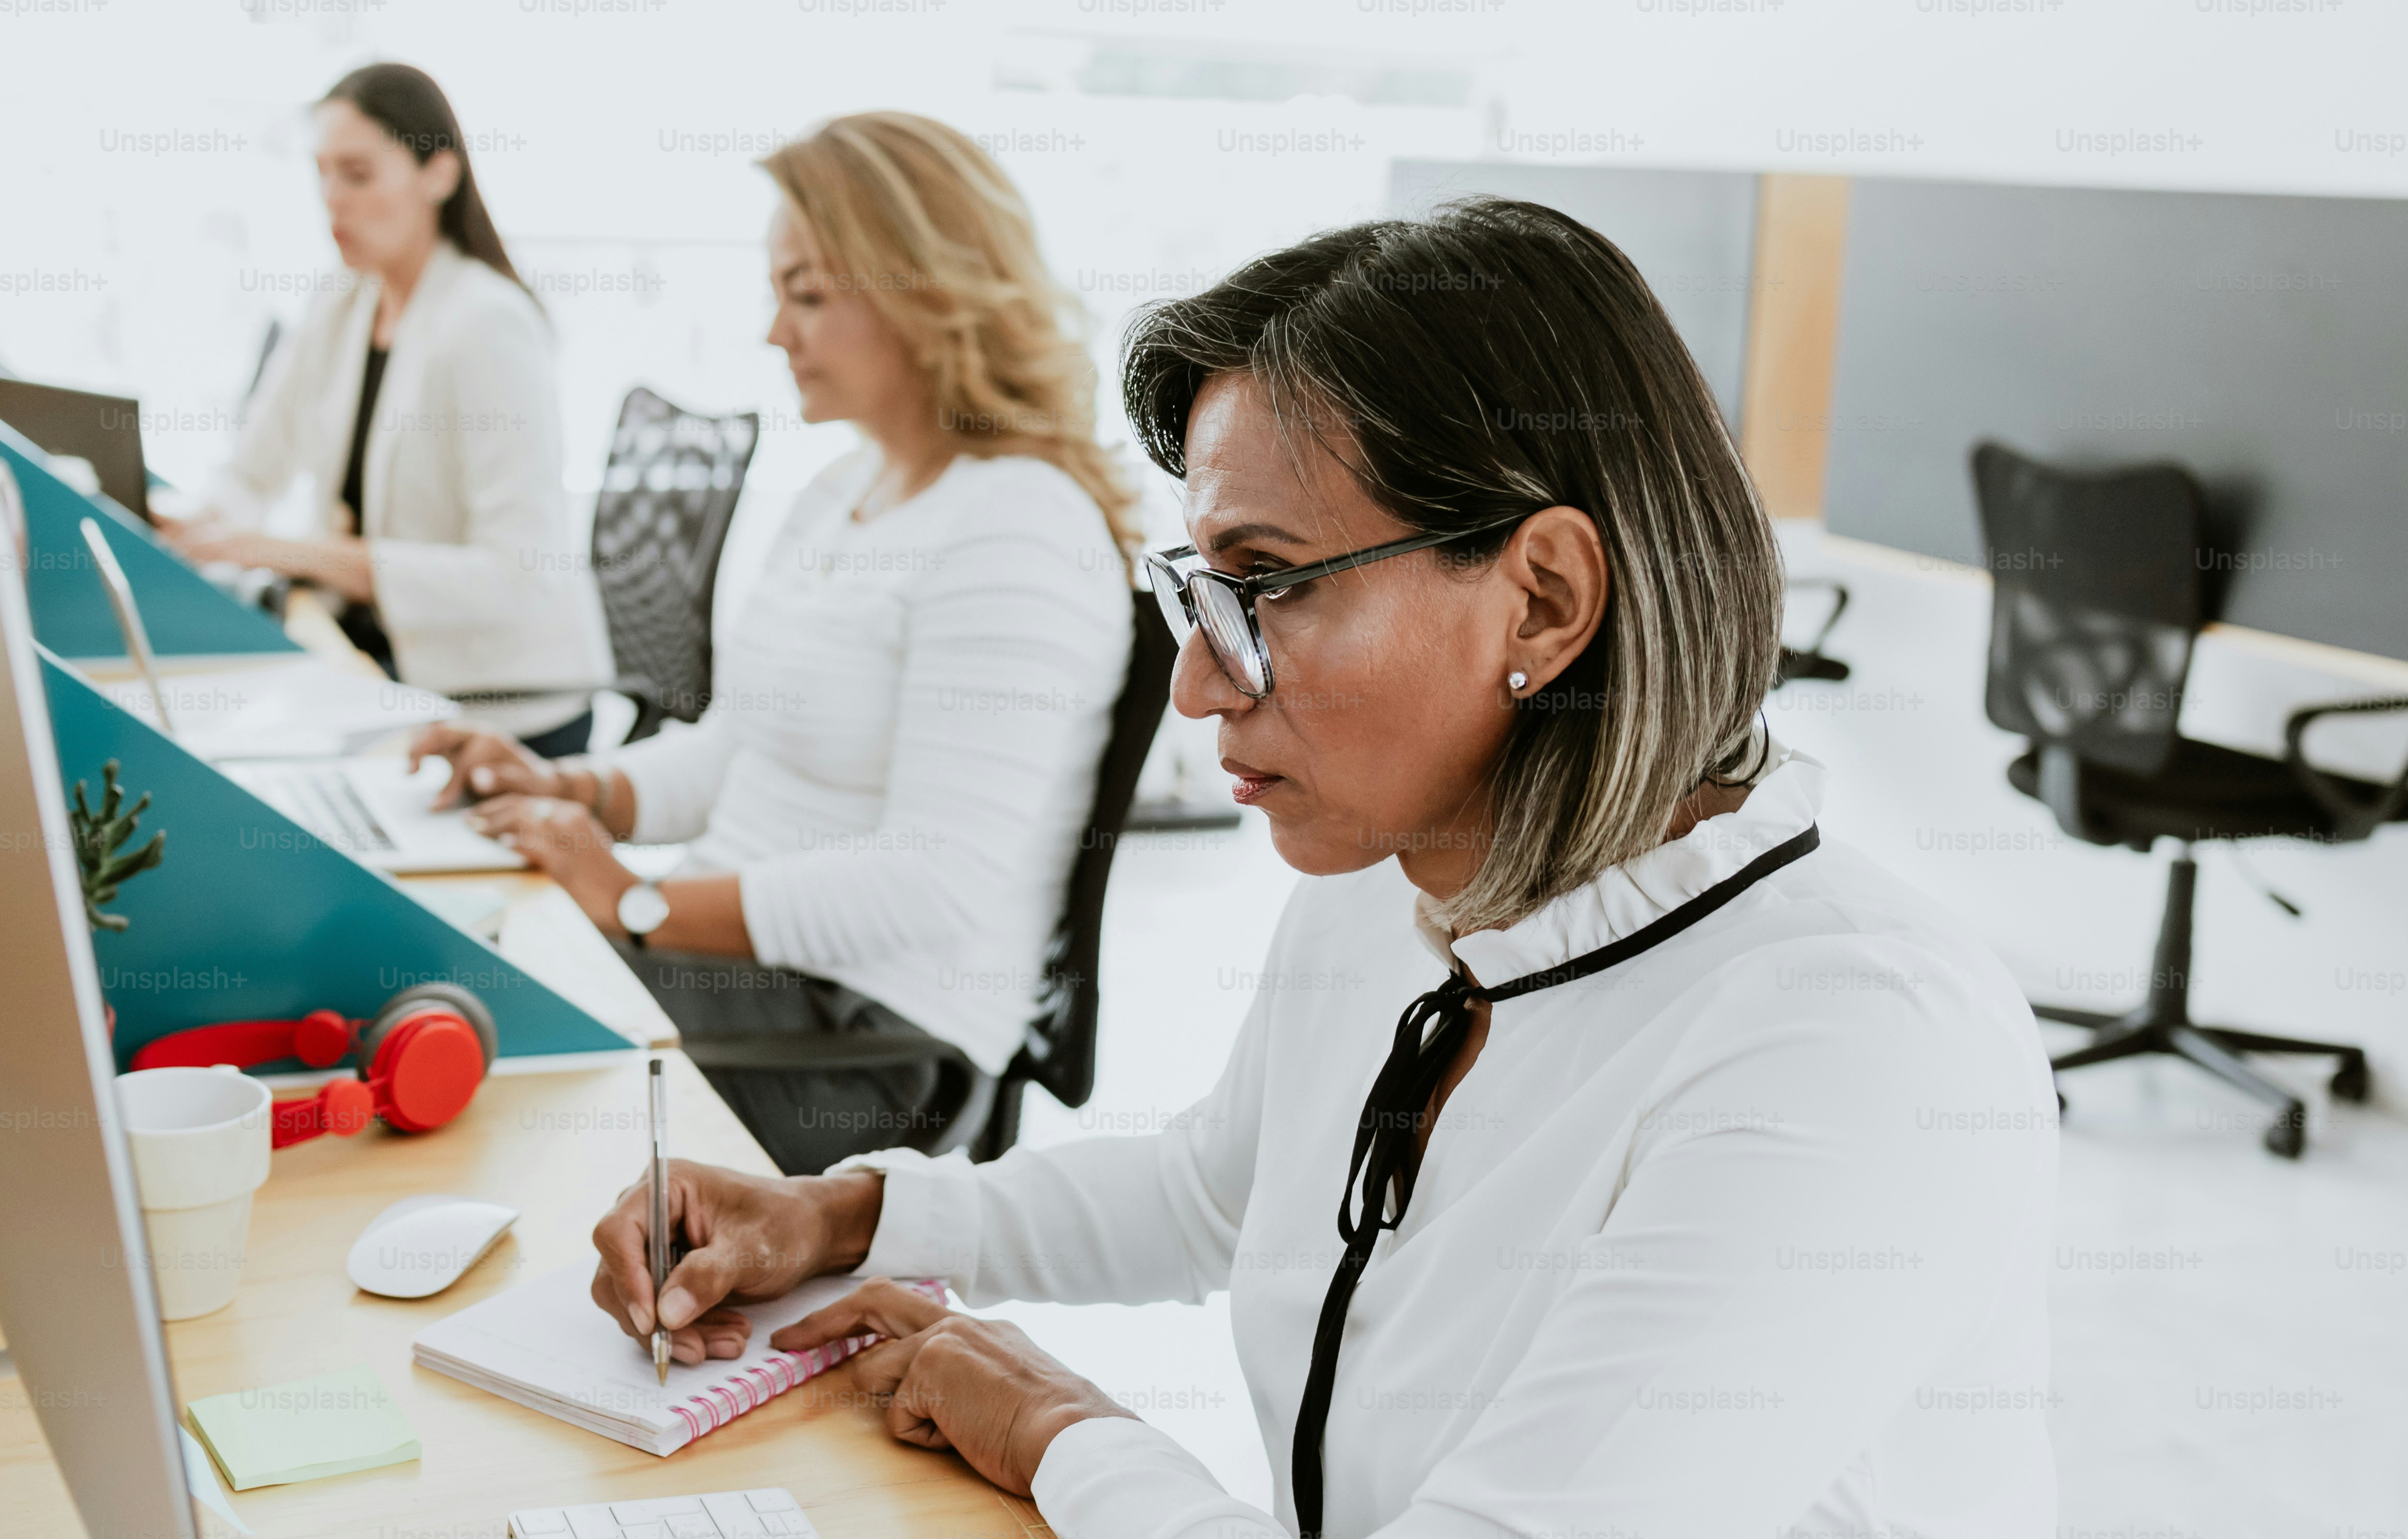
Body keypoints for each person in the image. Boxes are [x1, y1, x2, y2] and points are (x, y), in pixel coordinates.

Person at [575, 200, 2061, 1535]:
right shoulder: (1395, 885)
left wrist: (1060, 1435)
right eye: (1201, 596)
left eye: (1268, 588)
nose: (1199, 689)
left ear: (1540, 600)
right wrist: (847, 1215)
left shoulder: (1844, 1042)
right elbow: (1218, 1193)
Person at [412, 113, 1137, 1173]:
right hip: (746, 989)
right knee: (441, 961)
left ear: (927, 296)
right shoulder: (843, 488)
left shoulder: (1020, 528)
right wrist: (573, 792)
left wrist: (635, 900)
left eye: (805, 295)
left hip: (868, 1051)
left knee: (461, 1015)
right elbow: (729, 750)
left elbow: (929, 882)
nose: (772, 331)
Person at [162, 64, 604, 753]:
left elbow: (518, 577)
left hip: (500, 710)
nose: (333, 200)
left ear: (439, 175)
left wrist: (296, 552)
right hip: (376, 666)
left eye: (359, 175)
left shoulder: (488, 324)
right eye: (323, 174)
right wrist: (187, 527)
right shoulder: (342, 300)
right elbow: (252, 474)